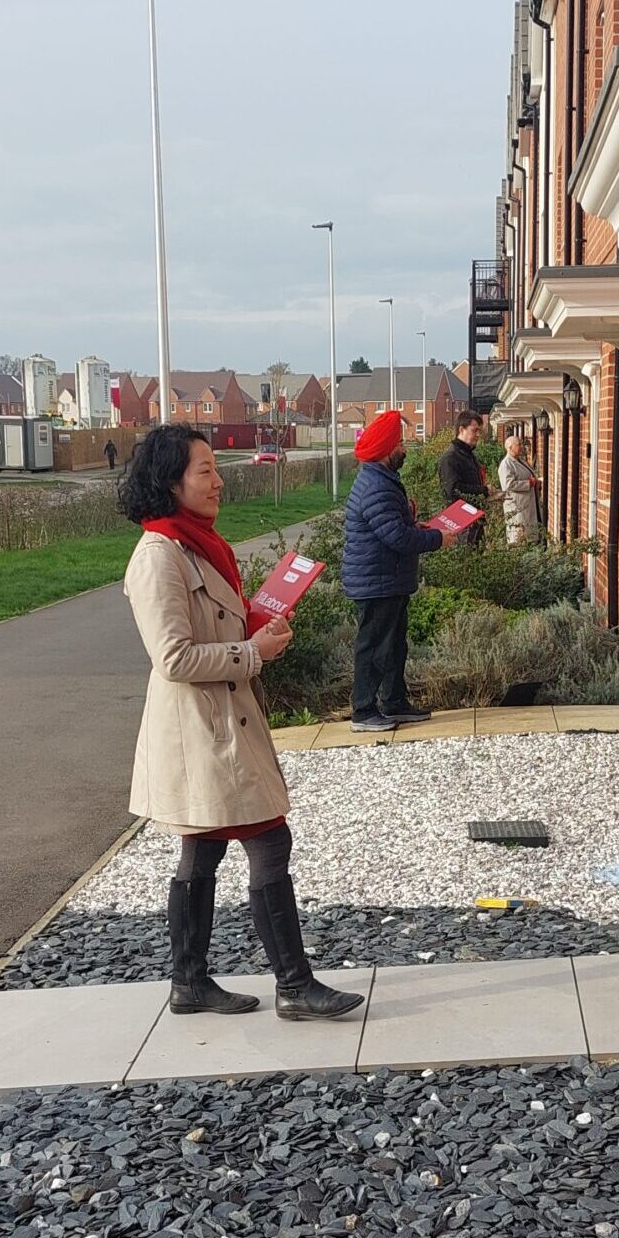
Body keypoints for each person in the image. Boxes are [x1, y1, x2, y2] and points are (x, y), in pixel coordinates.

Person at [119, 424, 363, 1021]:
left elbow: (217, 622)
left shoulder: (195, 543)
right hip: (202, 729)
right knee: (267, 838)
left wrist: (259, 621)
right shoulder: (158, 557)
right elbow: (172, 658)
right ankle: (294, 985)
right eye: (205, 470)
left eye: (214, 468)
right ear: (170, 482)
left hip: (220, 722)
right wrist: (252, 653)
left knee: (202, 851)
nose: (218, 480)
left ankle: (190, 981)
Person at [343, 409, 456, 733]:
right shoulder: (377, 487)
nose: (405, 450)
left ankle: (394, 702)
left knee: (393, 646)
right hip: (377, 581)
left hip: (386, 578)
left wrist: (415, 525)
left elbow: (393, 527)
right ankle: (364, 711)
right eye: (400, 445)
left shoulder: (381, 480)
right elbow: (397, 537)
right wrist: (437, 538)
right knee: (374, 647)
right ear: (386, 450)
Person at [437, 410, 488, 546]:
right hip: (461, 522)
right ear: (461, 429)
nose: (478, 435)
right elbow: (452, 490)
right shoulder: (451, 457)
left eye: (479, 431)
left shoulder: (468, 455)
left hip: (474, 518)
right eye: (474, 430)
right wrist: (483, 490)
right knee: (468, 560)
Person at [499, 433, 541, 545]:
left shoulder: (520, 460)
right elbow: (508, 485)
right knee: (520, 538)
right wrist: (528, 483)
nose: (521, 447)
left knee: (530, 535)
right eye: (518, 444)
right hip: (517, 506)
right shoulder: (506, 464)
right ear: (510, 448)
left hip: (527, 503)